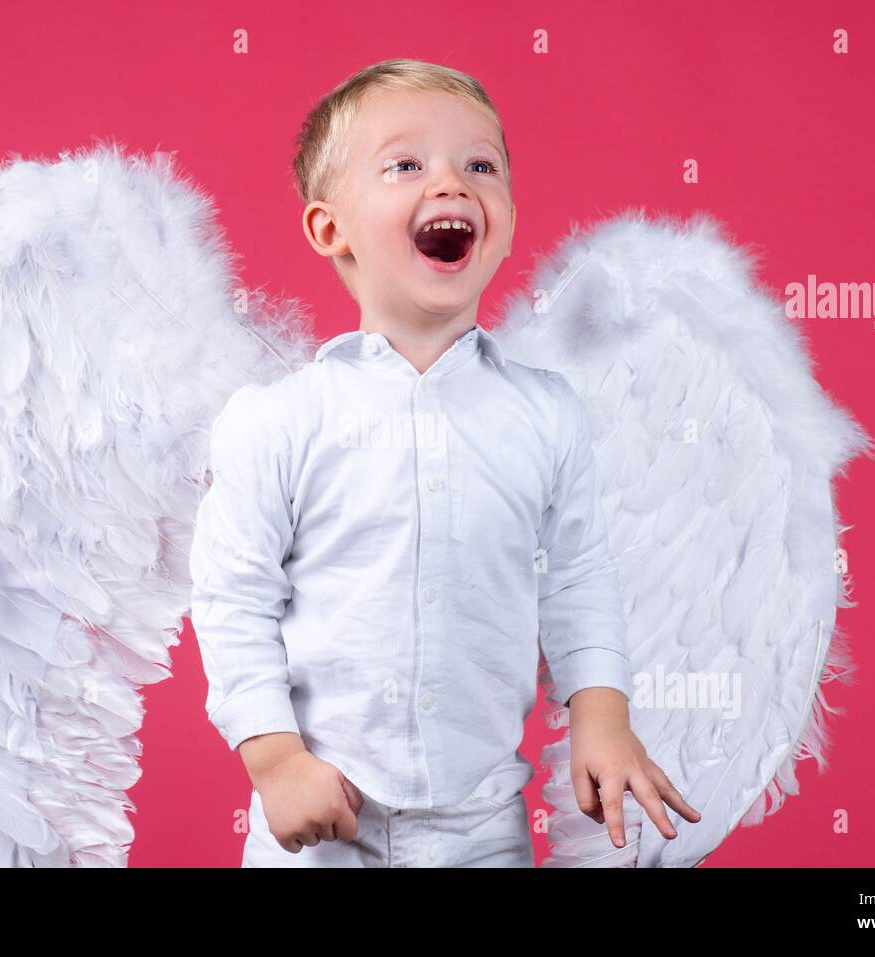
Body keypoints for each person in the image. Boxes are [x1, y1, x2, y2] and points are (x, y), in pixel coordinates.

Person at [189, 58, 700, 867]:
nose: (452, 184)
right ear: (331, 229)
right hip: (321, 820)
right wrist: (275, 758)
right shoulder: (280, 420)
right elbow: (233, 599)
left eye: (481, 165)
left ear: (506, 217)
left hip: (482, 824)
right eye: (406, 165)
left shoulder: (545, 414)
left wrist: (602, 715)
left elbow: (577, 578)